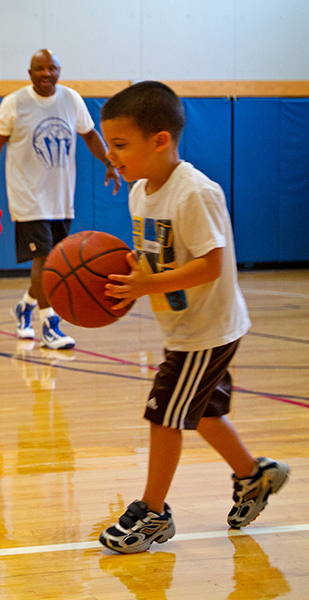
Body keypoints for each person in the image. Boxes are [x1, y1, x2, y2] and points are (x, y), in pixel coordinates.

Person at [98, 81, 290, 554]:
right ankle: (255, 476)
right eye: (109, 146)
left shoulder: (195, 193)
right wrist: (130, 285)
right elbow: (157, 259)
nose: (112, 156)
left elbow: (211, 265)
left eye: (121, 145)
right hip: (184, 325)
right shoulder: (140, 192)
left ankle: (153, 513)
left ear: (160, 139)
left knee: (164, 414)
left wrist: (147, 286)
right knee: (202, 411)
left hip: (208, 329)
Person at [0, 48, 120, 349]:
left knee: (53, 264)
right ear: (30, 73)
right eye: (40, 69)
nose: (46, 74)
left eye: (52, 68)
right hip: (28, 197)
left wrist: (110, 162)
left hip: (61, 198)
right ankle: (50, 326)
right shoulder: (14, 103)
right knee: (44, 260)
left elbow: (91, 135)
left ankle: (25, 307)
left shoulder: (71, 99)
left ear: (59, 70)